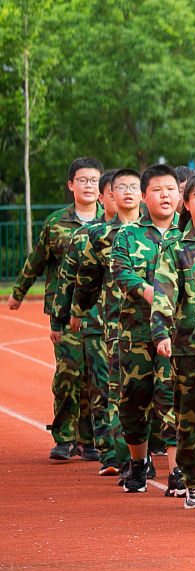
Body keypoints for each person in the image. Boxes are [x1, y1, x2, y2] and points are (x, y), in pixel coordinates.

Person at [9, 157, 103, 462]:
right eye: (83, 180)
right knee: (68, 373)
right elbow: (36, 261)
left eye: (94, 180)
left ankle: (88, 439)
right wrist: (19, 292)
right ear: (71, 185)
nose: (89, 185)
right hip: (64, 313)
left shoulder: (111, 222)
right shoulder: (55, 223)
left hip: (102, 312)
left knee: (95, 378)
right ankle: (64, 437)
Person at [65, 168, 144, 482]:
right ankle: (118, 457)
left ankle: (145, 455)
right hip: (110, 325)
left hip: (153, 324)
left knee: (146, 393)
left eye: (132, 187)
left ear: (142, 193)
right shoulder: (98, 236)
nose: (126, 193)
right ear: (109, 195)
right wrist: (76, 311)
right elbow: (85, 280)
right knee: (113, 391)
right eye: (119, 187)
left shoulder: (158, 234)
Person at [152, 168, 195, 508]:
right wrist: (159, 330)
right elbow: (163, 291)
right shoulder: (175, 246)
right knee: (190, 415)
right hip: (188, 345)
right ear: (186, 203)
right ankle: (194, 478)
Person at [111, 164, 181, 494]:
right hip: (137, 332)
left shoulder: (190, 236)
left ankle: (178, 469)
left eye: (171, 189)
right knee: (135, 396)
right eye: (157, 190)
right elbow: (121, 272)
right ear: (143, 196)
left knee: (172, 397)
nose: (165, 195)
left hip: (177, 333)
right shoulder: (128, 235)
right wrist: (146, 290)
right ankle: (138, 463)